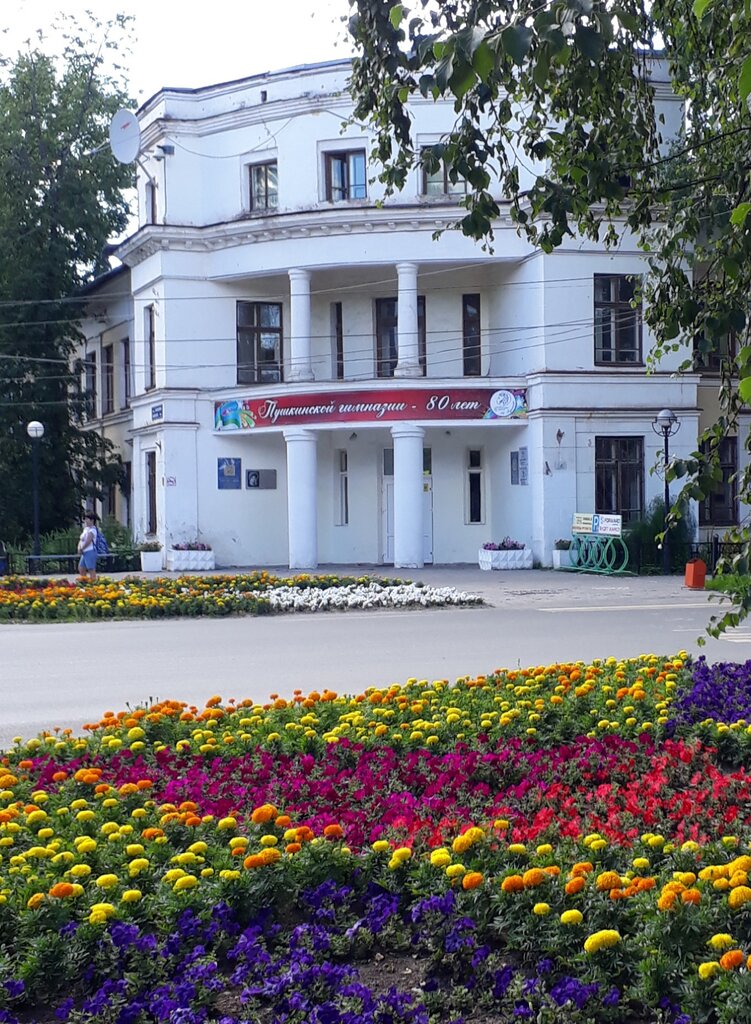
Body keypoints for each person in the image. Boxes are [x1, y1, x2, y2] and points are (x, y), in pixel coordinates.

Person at [77, 512, 98, 582]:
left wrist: (82, 548)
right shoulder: (86, 529)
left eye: (87, 519)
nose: (85, 520)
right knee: (81, 567)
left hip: (90, 551)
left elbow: (88, 541)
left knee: (91, 569)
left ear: (92, 520)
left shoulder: (93, 530)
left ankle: (94, 583)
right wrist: (79, 547)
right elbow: (81, 539)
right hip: (84, 552)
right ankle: (84, 581)